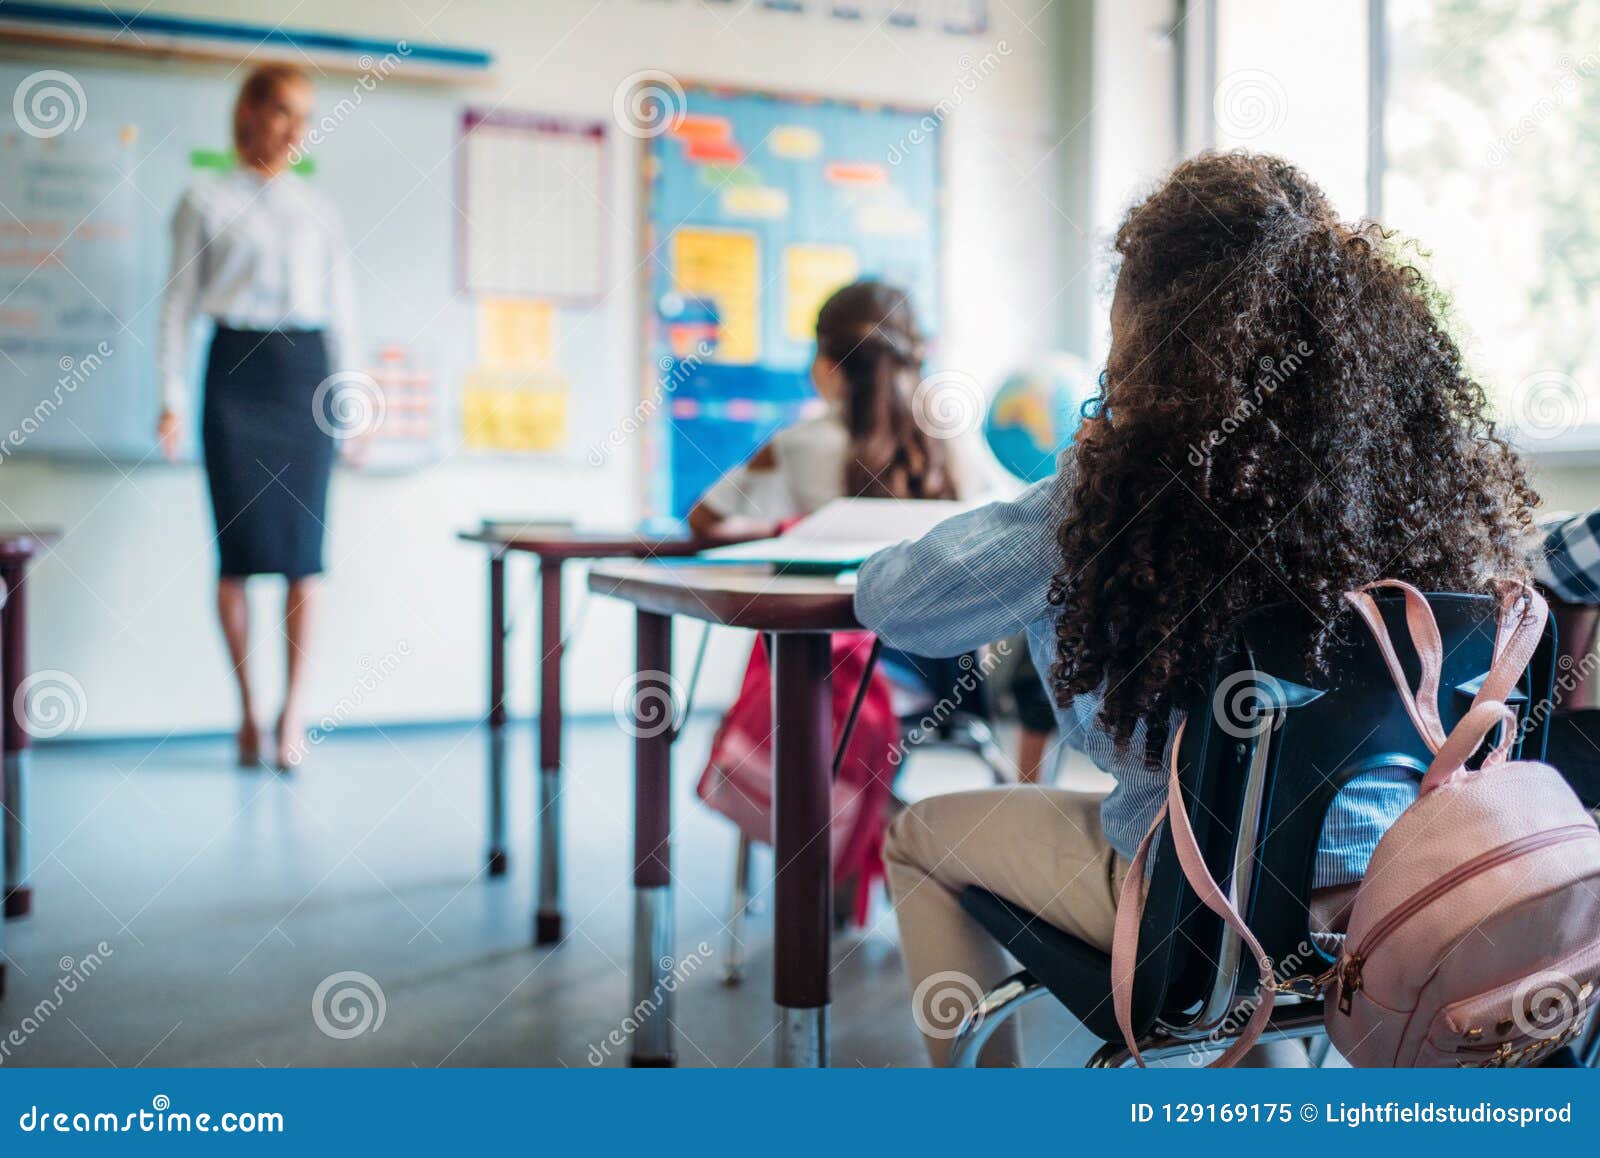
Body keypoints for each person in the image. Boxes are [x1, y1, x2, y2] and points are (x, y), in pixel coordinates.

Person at [854, 151, 1542, 1066]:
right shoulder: (1415, 501)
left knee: (920, 834)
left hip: (1193, 915)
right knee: (1247, 895)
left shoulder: (1117, 493)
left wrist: (1080, 472)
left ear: (1150, 329)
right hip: (1397, 898)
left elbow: (901, 604)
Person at [155, 63, 359, 771]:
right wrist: (172, 398)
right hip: (234, 377)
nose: (297, 129)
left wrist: (354, 405)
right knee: (237, 557)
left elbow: (343, 314)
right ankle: (247, 708)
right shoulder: (203, 200)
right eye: (284, 112)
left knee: (305, 559)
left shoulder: (320, 209)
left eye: (306, 115)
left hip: (305, 377)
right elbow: (178, 305)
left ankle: (291, 716)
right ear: (250, 114)